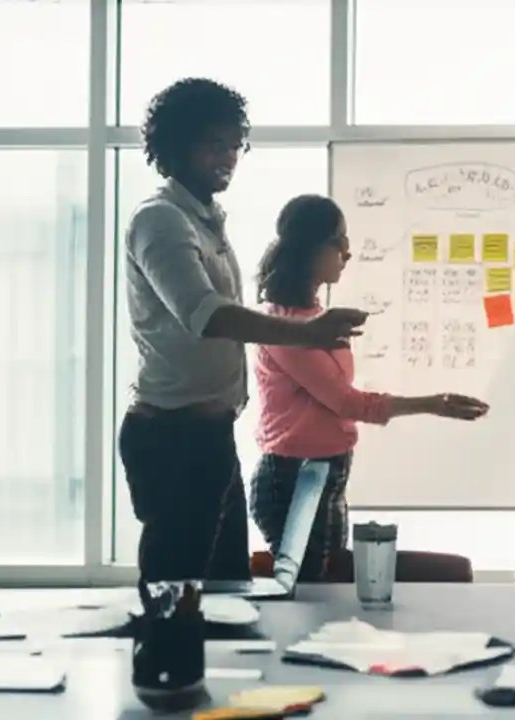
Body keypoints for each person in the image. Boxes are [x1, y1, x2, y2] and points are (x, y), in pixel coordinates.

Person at [120, 78, 368, 584]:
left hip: (210, 433)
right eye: (216, 143)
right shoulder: (162, 221)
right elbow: (206, 315)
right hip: (171, 436)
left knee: (227, 590)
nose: (229, 156)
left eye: (236, 145)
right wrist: (308, 333)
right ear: (179, 143)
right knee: (178, 597)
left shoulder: (206, 220)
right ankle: (167, 665)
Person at [251, 195, 490, 580]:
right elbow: (345, 401)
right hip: (295, 479)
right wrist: (433, 403)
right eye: (339, 240)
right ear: (311, 248)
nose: (348, 252)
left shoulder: (315, 317)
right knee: (310, 594)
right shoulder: (284, 326)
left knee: (325, 588)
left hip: (327, 473)